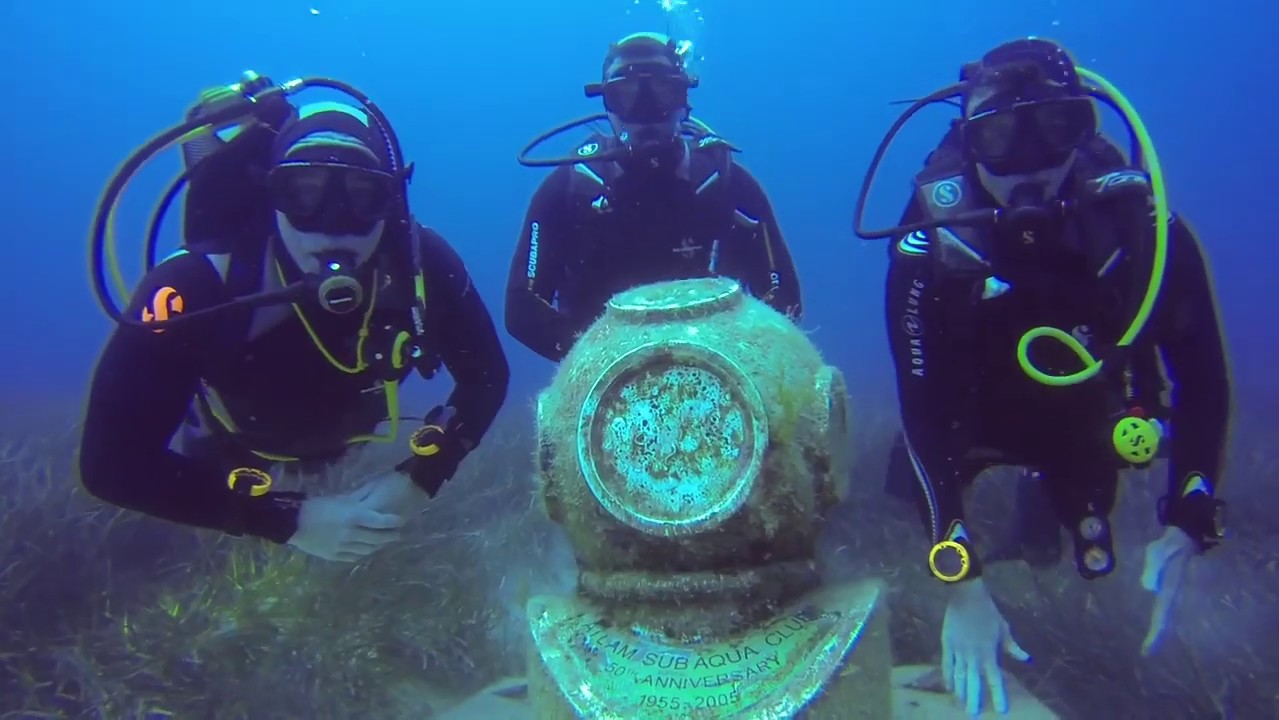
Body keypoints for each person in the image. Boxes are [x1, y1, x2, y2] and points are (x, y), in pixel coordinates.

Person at [852, 39, 1230, 715]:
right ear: (970, 143)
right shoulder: (929, 242)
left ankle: (1049, 504)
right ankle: (1024, 510)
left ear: (1084, 129)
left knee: (1078, 514)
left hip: (1083, 411)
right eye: (999, 137)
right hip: (971, 419)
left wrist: (1192, 512)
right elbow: (921, 406)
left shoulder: (1139, 228)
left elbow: (1203, 380)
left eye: (1056, 130)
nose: (1030, 166)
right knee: (909, 474)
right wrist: (960, 582)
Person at [81, 72, 510, 563]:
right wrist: (286, 519)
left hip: (351, 446)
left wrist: (419, 479)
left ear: (390, 202)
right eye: (303, 193)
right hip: (235, 457)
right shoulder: (196, 285)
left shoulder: (421, 262)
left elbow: (487, 377)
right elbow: (109, 463)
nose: (333, 225)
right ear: (272, 197)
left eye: (362, 195)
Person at [506, 32, 803, 361]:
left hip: (715, 368)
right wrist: (598, 359)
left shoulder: (725, 185)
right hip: (603, 375)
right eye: (627, 94)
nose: (645, 111)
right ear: (607, 103)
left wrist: (737, 358)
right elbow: (522, 307)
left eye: (662, 91)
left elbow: (783, 295)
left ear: (683, 98)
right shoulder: (568, 192)